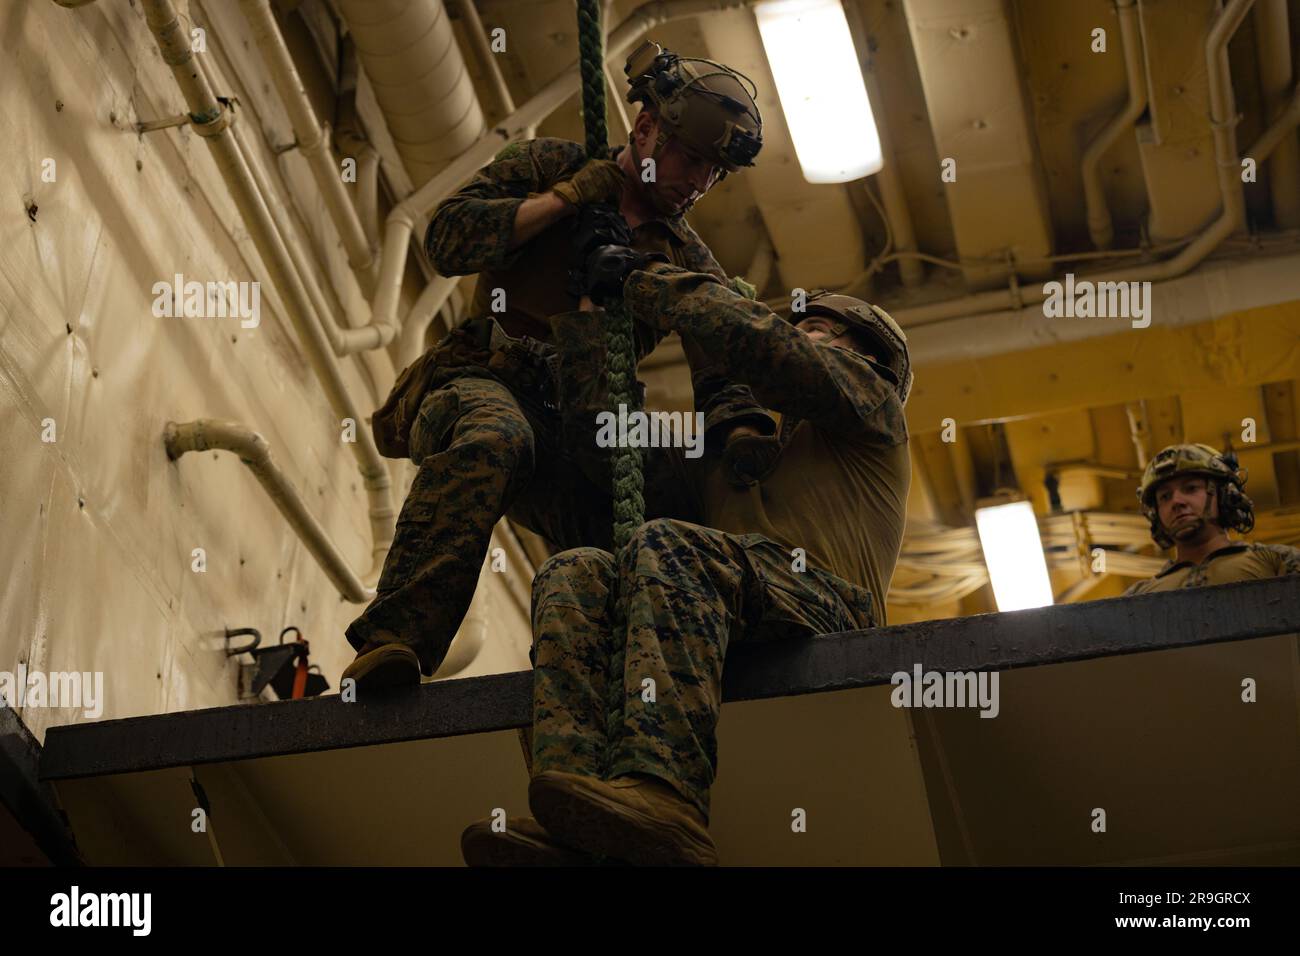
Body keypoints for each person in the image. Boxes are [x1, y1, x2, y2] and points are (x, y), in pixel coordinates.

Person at [342, 44, 765, 690]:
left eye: (714, 173)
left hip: (581, 424)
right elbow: (445, 238)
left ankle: (599, 680)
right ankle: (396, 639)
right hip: (487, 378)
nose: (699, 183)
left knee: (654, 519)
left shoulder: (683, 260)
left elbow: (720, 370)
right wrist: (563, 202)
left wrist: (739, 431)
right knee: (494, 439)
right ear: (645, 129)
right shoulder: (555, 165)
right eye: (689, 159)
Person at [461, 265, 913, 866]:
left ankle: (665, 797)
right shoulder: (729, 457)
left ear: (868, 358)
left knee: (669, 543)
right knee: (577, 572)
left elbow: (765, 349)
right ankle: (573, 805)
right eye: (797, 325)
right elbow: (606, 451)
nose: (799, 334)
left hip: (830, 605)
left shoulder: (871, 410)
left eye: (821, 328)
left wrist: (649, 279)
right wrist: (589, 324)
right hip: (733, 606)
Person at [1123, 443, 1300, 595]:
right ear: (1155, 513)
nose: (1176, 501)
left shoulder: (1279, 562)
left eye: (1191, 488)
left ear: (1224, 495)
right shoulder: (1137, 596)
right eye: (1165, 497)